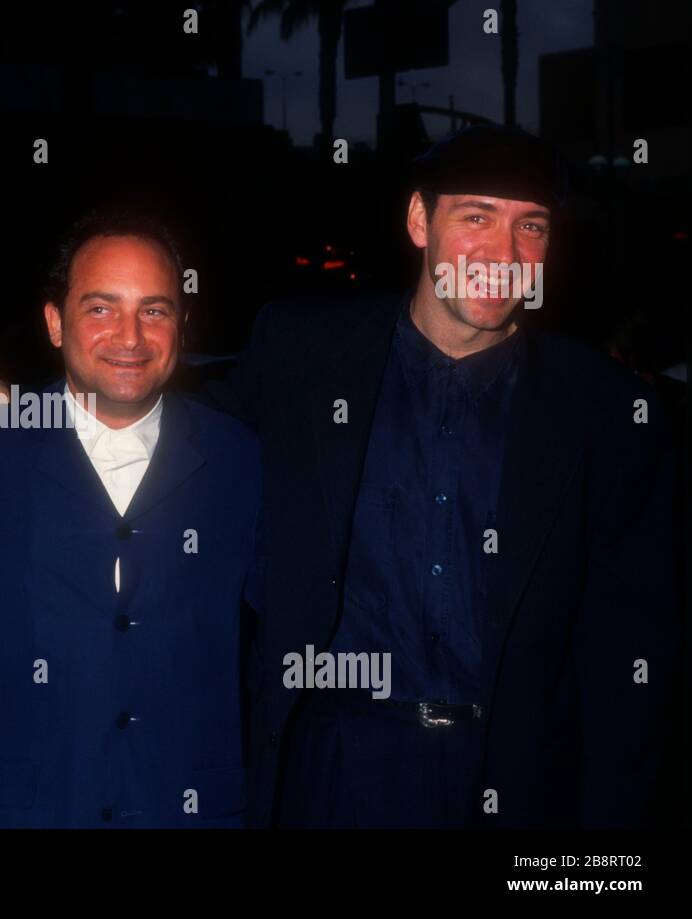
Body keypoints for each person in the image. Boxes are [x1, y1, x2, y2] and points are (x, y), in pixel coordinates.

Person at [212, 125, 680, 827]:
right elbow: (178, 442)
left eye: (531, 226)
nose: (503, 253)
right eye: (475, 217)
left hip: (514, 779)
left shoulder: (608, 410)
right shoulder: (303, 352)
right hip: (336, 769)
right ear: (417, 221)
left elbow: (631, 653)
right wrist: (34, 407)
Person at [0, 211, 264, 827]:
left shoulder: (240, 458)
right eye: (101, 308)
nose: (130, 336)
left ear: (183, 324)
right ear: (55, 323)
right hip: (17, 812)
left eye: (155, 310)